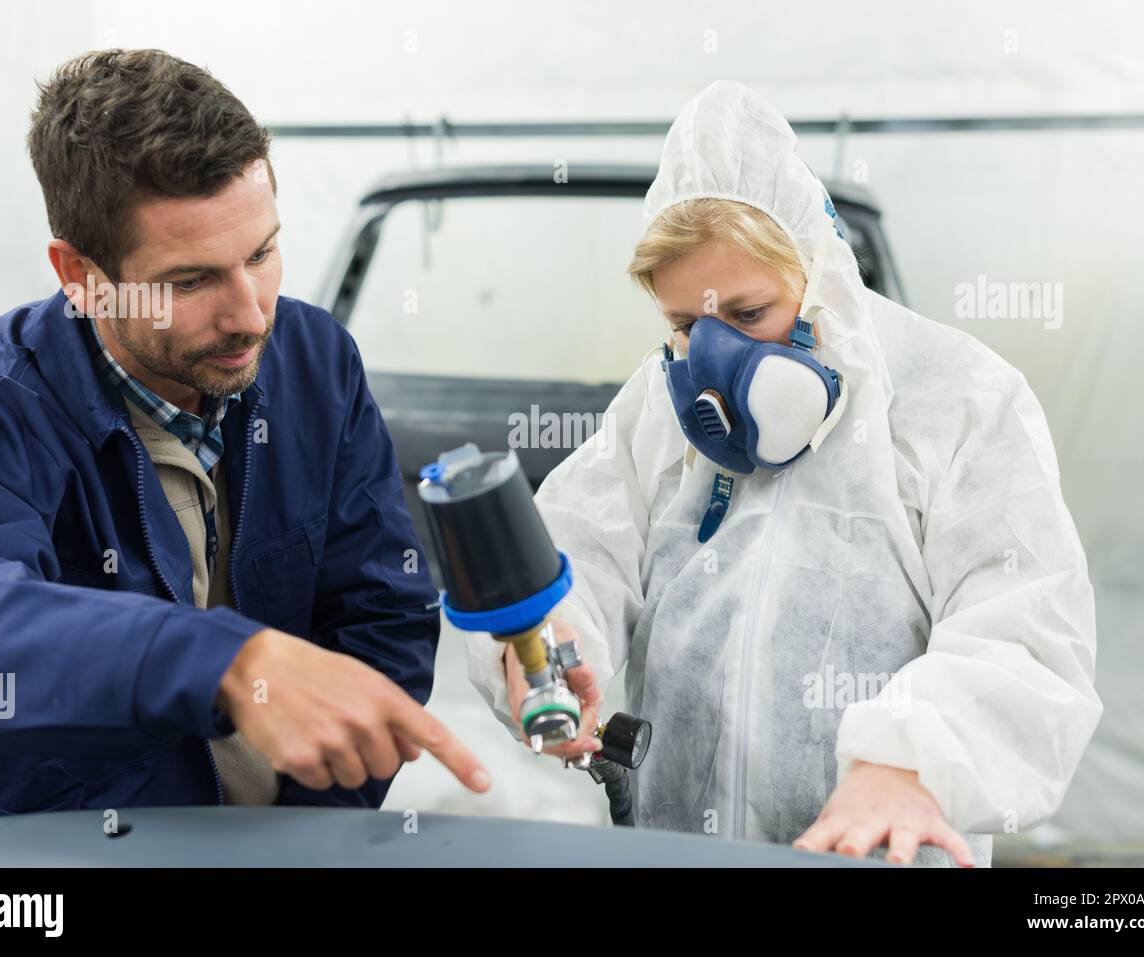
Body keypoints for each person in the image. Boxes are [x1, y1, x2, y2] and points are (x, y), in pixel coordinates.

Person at [469, 81, 1102, 866]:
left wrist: (906, 760)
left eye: (746, 315)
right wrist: (545, 650)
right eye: (685, 325)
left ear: (821, 273)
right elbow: (574, 558)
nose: (713, 363)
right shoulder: (654, 414)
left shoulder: (959, 401)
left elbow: (1028, 635)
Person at [0, 49, 490, 819]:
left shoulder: (314, 363)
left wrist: (310, 832)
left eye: (261, 253)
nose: (250, 315)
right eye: (189, 282)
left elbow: (382, 614)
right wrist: (223, 663)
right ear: (78, 273)